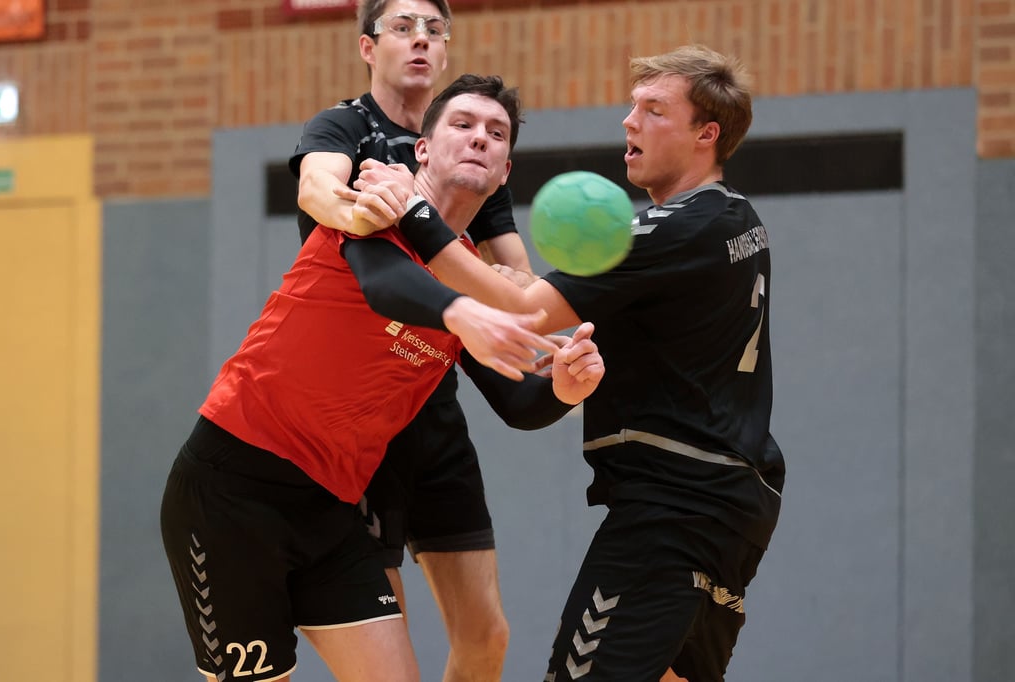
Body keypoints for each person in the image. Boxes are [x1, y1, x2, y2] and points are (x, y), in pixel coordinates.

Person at [342, 46, 785, 682]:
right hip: (732, 500)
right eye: (632, 107)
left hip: (673, 506)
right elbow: (538, 347)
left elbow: (525, 306)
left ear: (705, 135)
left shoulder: (670, 229)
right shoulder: (735, 217)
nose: (629, 122)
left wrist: (414, 212)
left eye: (653, 110)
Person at [160, 75, 606, 682]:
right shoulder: (373, 198)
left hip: (328, 511)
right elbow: (384, 285)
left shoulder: (472, 275)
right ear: (421, 148)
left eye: (496, 133)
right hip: (231, 489)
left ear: (505, 171)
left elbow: (515, 400)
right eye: (463, 124)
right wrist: (460, 312)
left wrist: (564, 388)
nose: (480, 138)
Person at [288, 3, 533, 679]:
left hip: (433, 397)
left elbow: (518, 281)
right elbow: (317, 189)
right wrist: (365, 212)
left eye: (434, 28)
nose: (420, 38)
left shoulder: (472, 155)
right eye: (402, 26)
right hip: (357, 405)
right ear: (369, 47)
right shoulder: (347, 129)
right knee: (386, 660)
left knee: (487, 638)